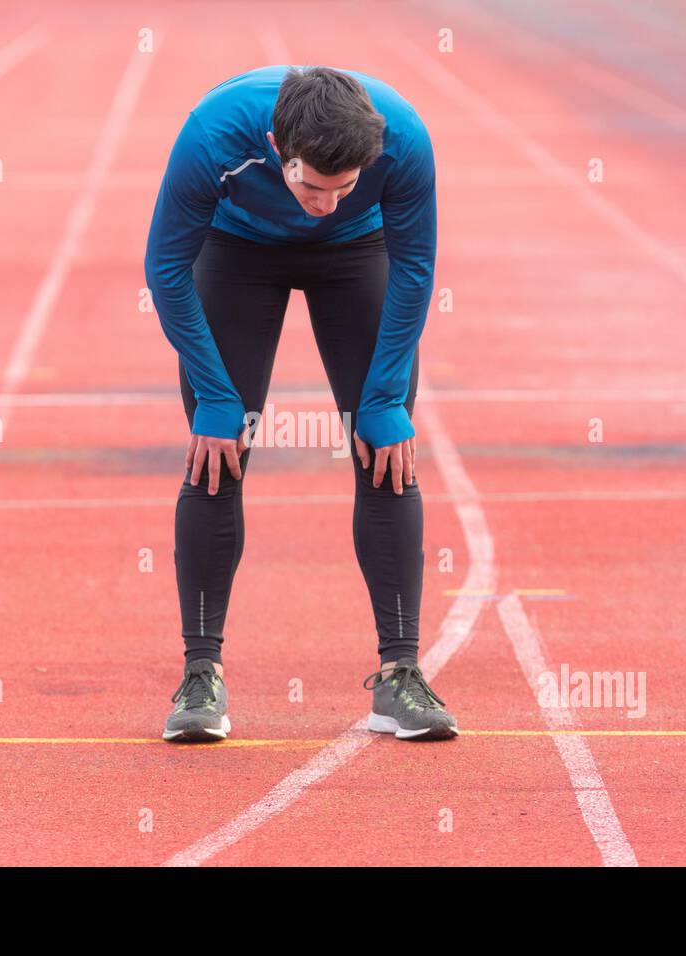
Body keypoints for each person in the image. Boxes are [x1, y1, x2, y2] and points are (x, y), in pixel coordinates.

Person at [144, 65, 456, 743]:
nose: (325, 202)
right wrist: (217, 396)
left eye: (344, 186)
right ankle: (202, 675)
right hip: (238, 247)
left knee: (387, 451)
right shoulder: (213, 133)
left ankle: (400, 676)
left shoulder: (402, 138)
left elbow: (415, 269)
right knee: (216, 454)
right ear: (277, 149)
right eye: (312, 186)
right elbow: (164, 268)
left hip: (357, 254)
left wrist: (382, 399)